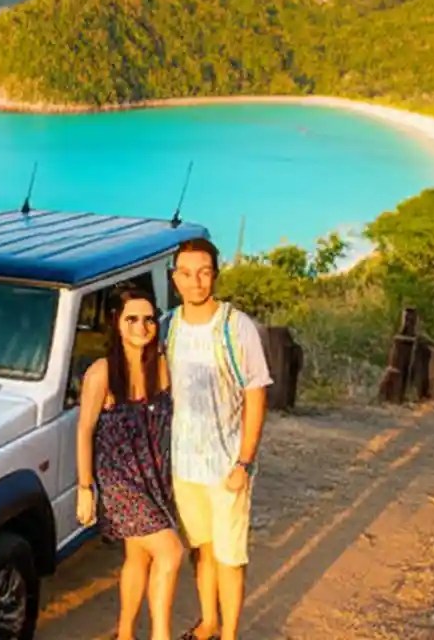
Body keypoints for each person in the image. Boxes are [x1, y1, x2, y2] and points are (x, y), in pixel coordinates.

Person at [166, 238, 272, 640]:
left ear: (215, 275)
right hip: (185, 464)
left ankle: (229, 633)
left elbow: (255, 393)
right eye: (187, 273)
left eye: (204, 272)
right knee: (203, 548)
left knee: (230, 556)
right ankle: (208, 620)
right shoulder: (168, 326)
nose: (196, 282)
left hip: (227, 464)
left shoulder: (235, 326)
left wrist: (244, 462)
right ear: (175, 278)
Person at [76, 286, 183, 640]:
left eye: (149, 318)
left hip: (154, 475)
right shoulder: (102, 372)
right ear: (117, 324)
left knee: (138, 556)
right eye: (132, 319)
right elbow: (84, 430)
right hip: (119, 479)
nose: (142, 326)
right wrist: (85, 488)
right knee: (169, 552)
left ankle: (124, 634)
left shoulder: (165, 367)